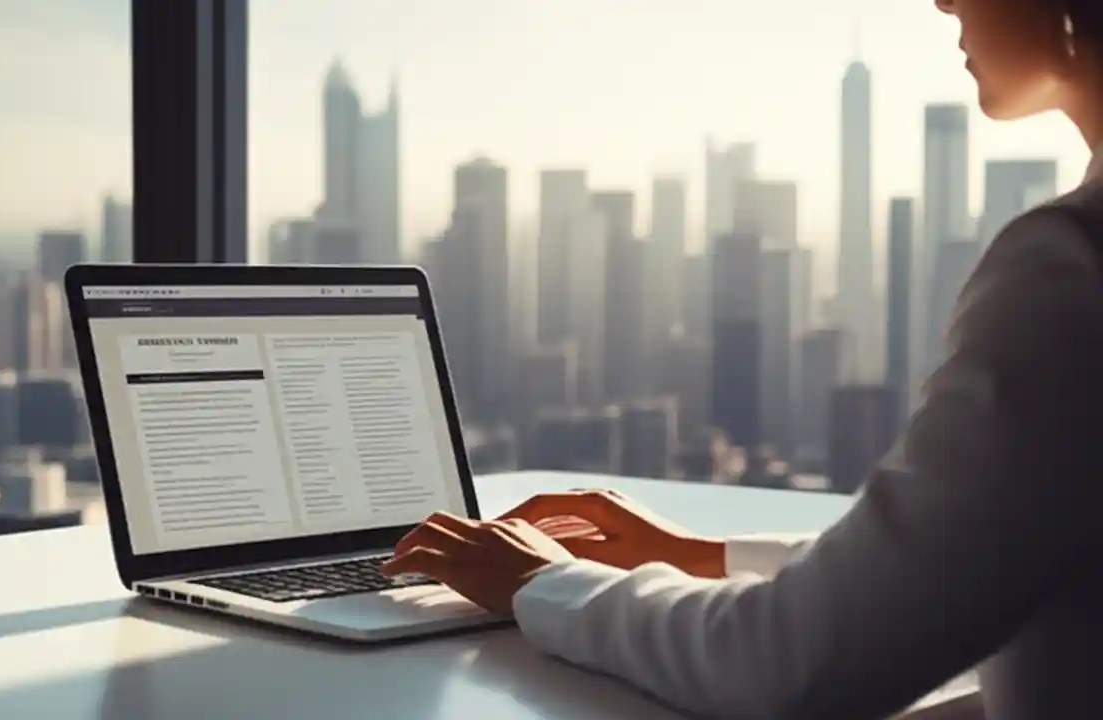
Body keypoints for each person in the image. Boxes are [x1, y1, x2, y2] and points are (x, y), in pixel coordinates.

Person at [381, 1, 1103, 717]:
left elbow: (786, 666)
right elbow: (968, 567)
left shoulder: (1069, 268)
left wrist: (540, 581)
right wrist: (705, 556)